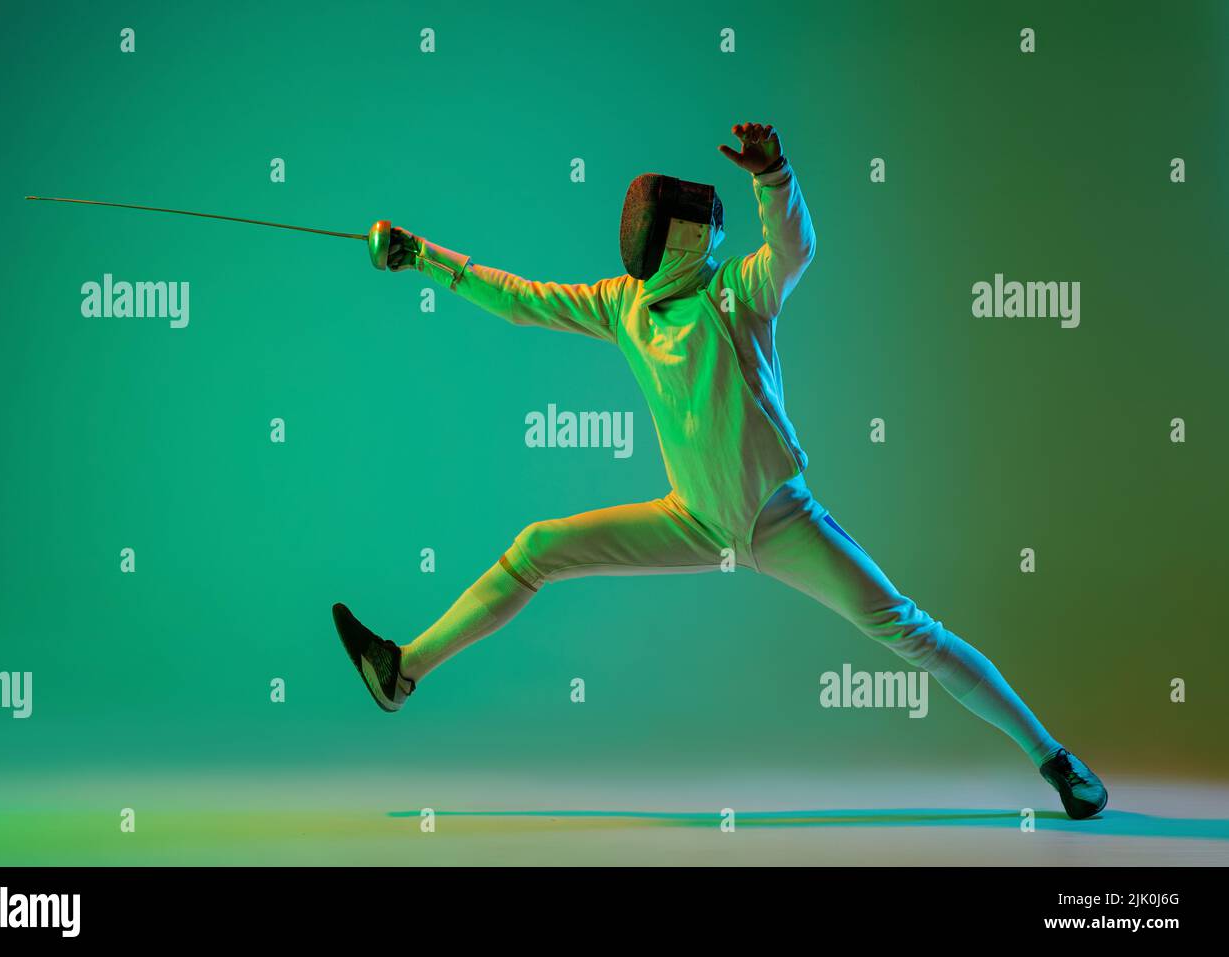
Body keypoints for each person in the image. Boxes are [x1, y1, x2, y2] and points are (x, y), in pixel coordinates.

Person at [333, 122, 1108, 819]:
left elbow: (794, 251)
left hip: (780, 519)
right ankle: (403, 670)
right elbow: (521, 301)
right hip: (695, 519)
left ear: (676, 235)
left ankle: (1054, 757)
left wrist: (774, 180)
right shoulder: (623, 304)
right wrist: (424, 258)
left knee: (910, 630)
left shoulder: (738, 293)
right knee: (539, 546)